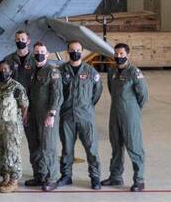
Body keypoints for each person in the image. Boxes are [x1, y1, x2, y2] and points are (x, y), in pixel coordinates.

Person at [52, 40, 102, 190]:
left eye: (78, 50)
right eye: (72, 50)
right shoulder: (61, 71)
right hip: (67, 116)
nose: (75, 52)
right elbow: (57, 92)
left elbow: (96, 93)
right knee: (67, 149)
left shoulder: (91, 72)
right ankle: (66, 176)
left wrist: (86, 106)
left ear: (82, 51)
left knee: (91, 148)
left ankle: (95, 177)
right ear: (68, 51)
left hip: (86, 116)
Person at [103, 43, 148, 191]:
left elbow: (143, 94)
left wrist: (133, 109)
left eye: (122, 54)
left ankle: (139, 180)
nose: (118, 56)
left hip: (130, 114)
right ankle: (115, 177)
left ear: (128, 55)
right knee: (116, 145)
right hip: (115, 112)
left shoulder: (134, 72)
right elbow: (112, 90)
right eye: (116, 54)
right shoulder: (112, 72)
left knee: (134, 146)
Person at [24, 42, 62, 188]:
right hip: (34, 114)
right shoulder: (34, 71)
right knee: (35, 146)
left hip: (47, 115)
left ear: (47, 54)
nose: (39, 54)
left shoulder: (52, 71)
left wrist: (51, 114)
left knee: (48, 147)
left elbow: (57, 95)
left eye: (42, 52)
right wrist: (27, 112)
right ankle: (39, 175)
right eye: (36, 52)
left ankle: (52, 178)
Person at [0, 62, 29, 192]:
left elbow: (24, 106)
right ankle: (5, 178)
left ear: (10, 71)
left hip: (11, 126)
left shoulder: (16, 87)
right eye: (0, 69)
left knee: (11, 152)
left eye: (6, 69)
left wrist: (20, 122)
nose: (3, 72)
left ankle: (14, 180)